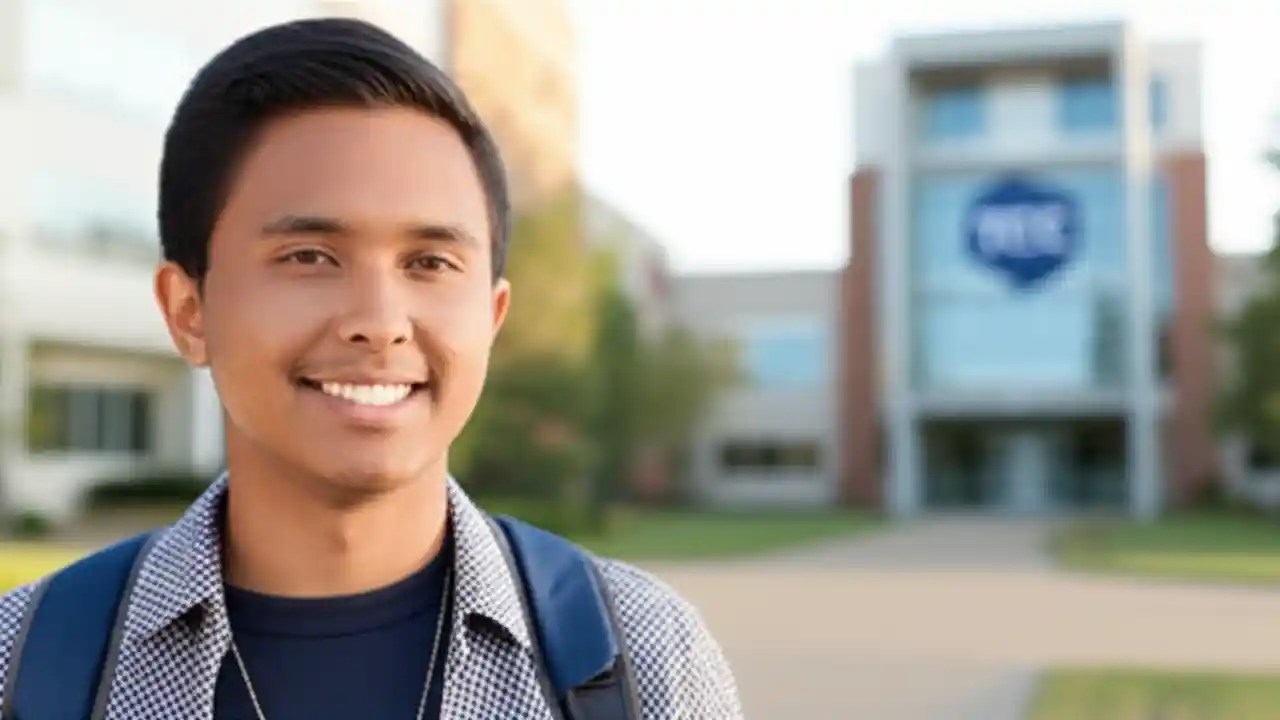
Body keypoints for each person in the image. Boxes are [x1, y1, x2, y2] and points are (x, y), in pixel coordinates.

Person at [0, 17, 741, 720]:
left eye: (430, 262)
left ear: (492, 316)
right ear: (189, 309)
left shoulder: (644, 659)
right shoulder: (24, 663)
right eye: (309, 257)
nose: (381, 322)